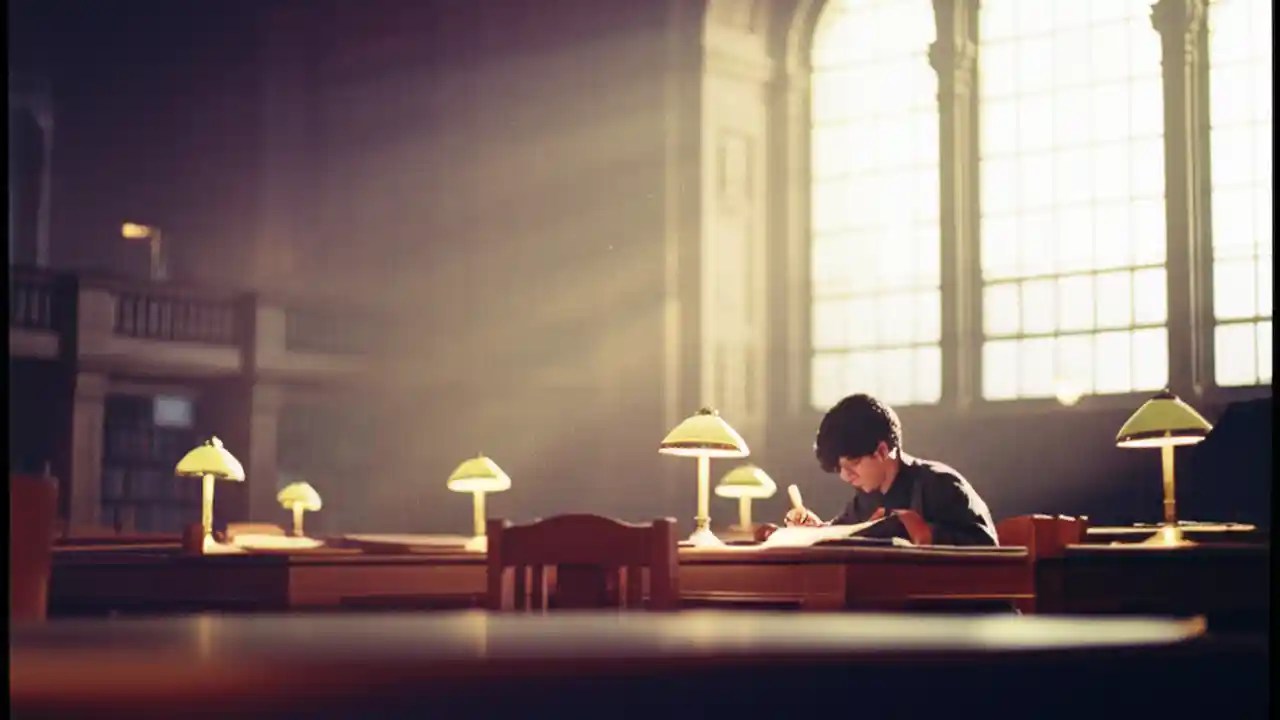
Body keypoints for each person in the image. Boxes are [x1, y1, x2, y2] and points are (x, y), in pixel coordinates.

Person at [780, 393, 998, 546]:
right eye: (840, 469)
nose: (846, 476)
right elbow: (842, 534)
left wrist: (923, 532)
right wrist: (817, 531)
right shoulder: (864, 501)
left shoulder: (941, 486)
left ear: (882, 450)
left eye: (853, 464)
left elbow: (989, 551)